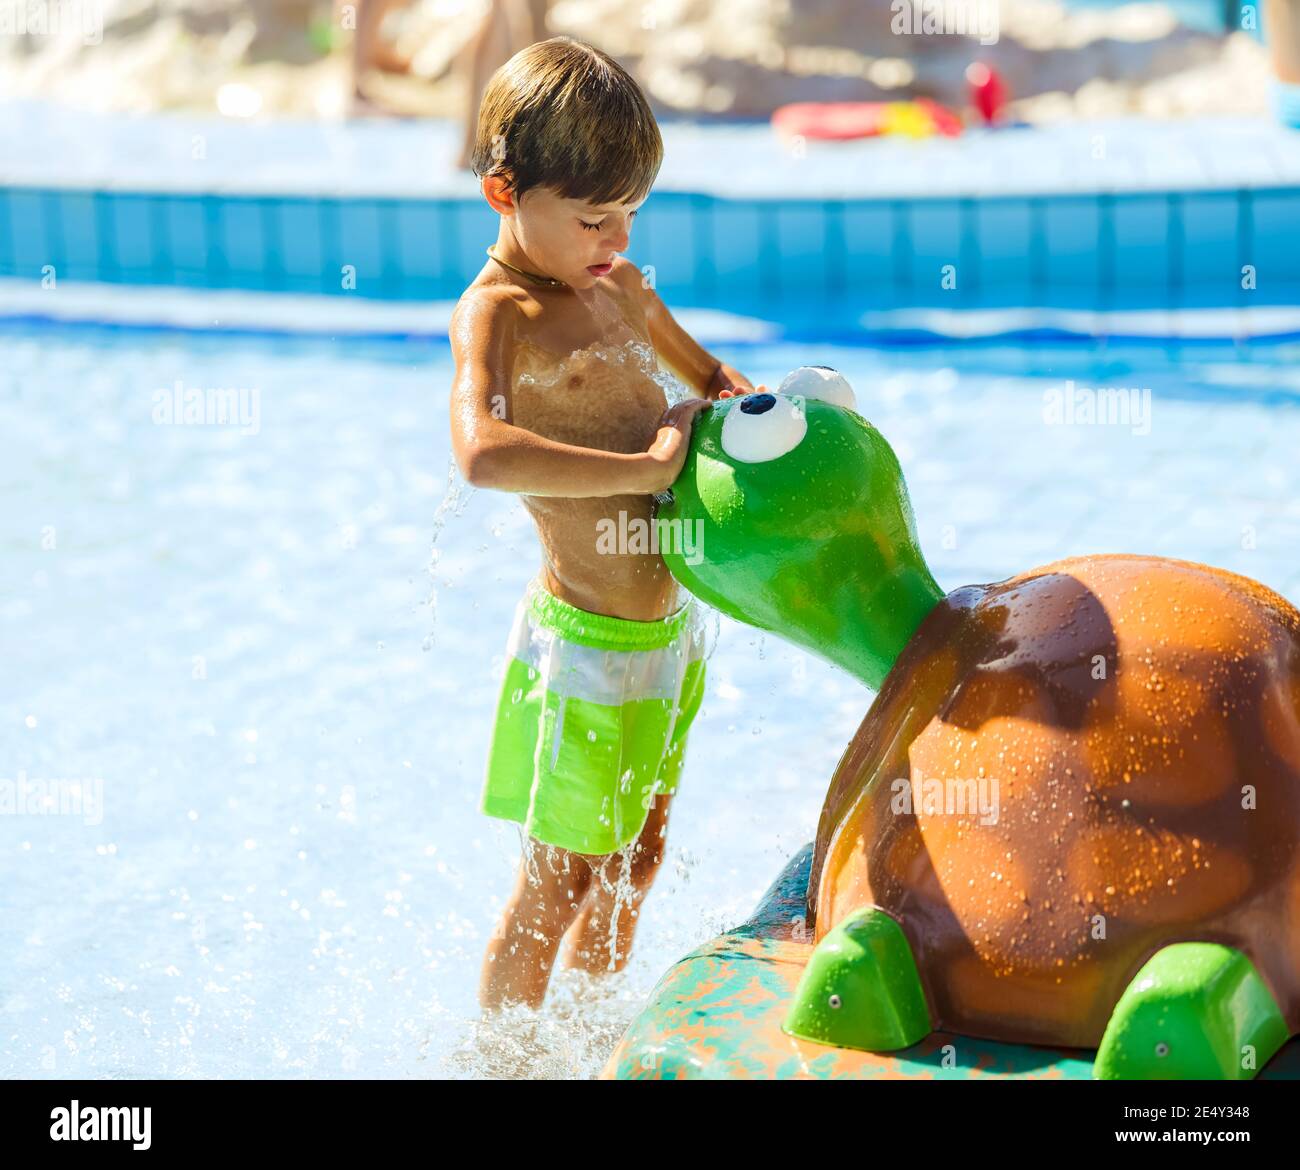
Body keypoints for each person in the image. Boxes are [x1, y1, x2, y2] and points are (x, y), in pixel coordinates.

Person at [449, 36, 764, 1010]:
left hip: (670, 634)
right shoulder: (497, 311)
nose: (615, 241)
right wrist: (645, 465)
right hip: (583, 649)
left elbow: (717, 381)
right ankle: (500, 1071)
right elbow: (480, 452)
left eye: (628, 216)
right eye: (593, 218)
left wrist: (771, 420)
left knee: (639, 855)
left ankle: (588, 1042)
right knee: (558, 880)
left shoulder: (617, 288)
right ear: (505, 193)